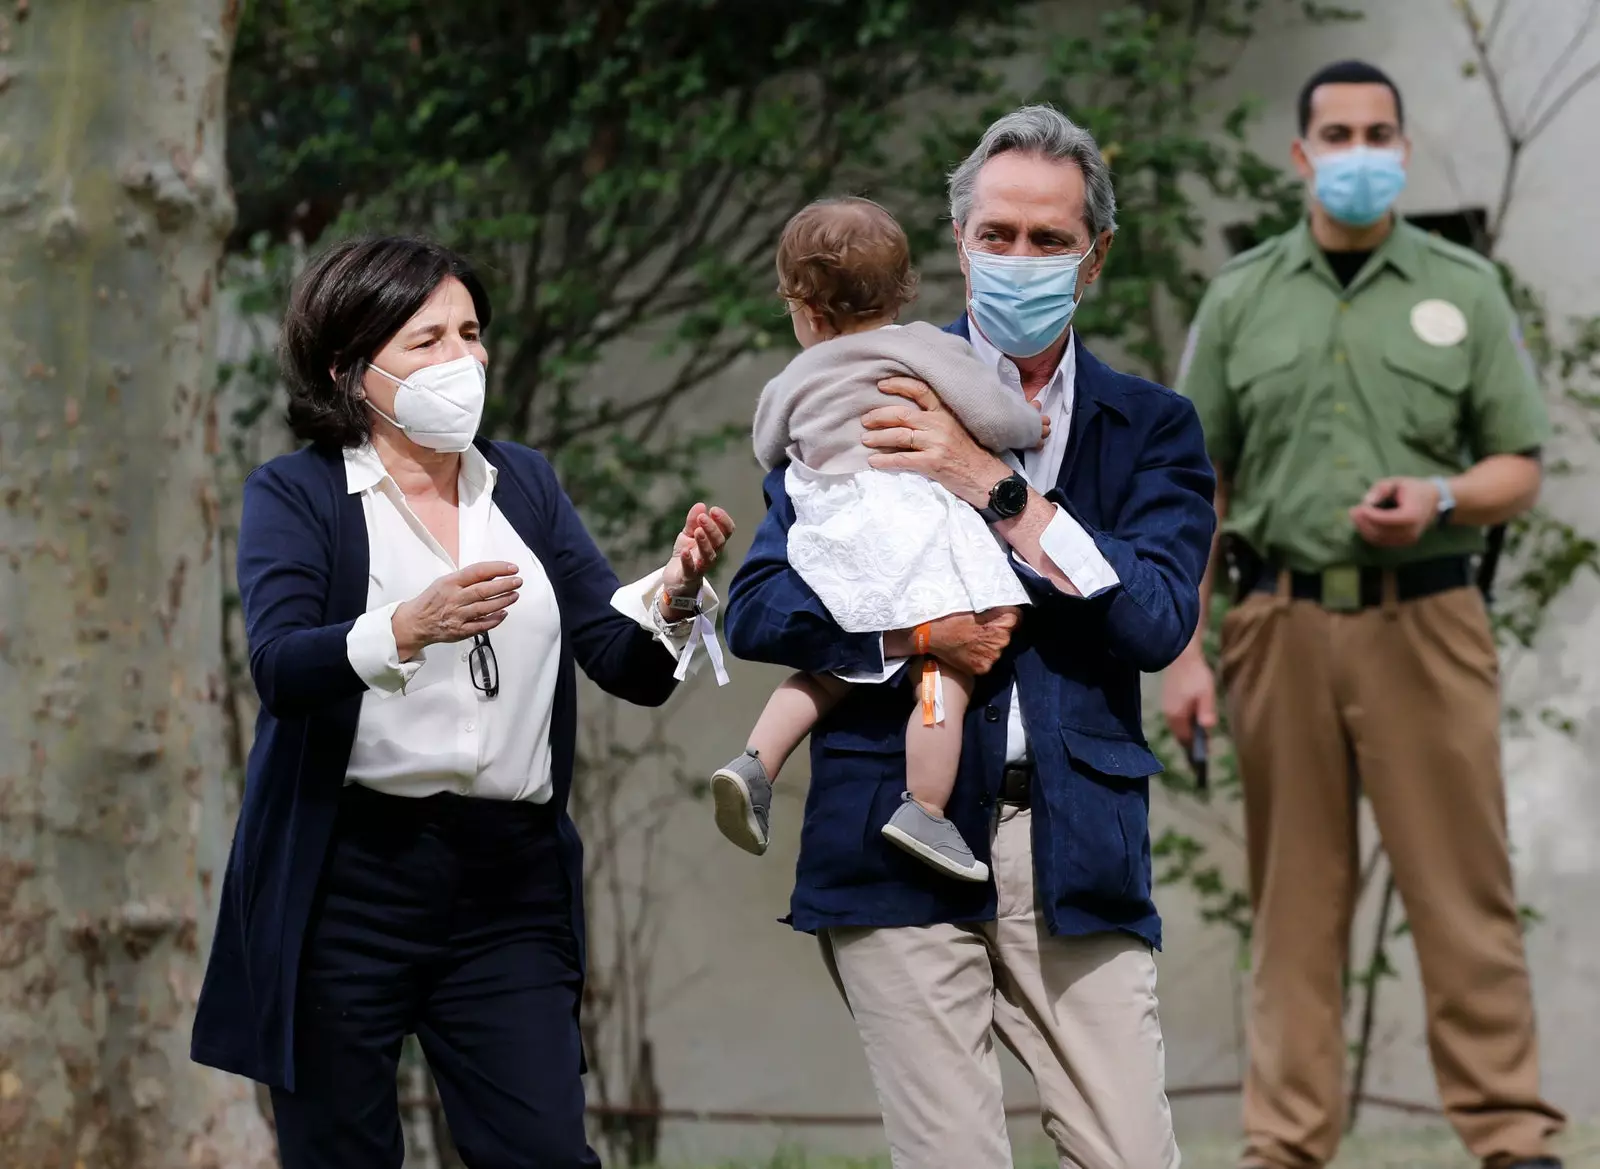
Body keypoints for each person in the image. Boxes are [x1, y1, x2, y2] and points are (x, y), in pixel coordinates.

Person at [726, 104, 1214, 1169]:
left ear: (1094, 261)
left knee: (1132, 1151)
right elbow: (760, 607)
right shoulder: (865, 379)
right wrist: (916, 631)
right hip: (893, 828)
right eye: (997, 235)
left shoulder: (1152, 426)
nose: (1019, 259)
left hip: (1074, 843)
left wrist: (987, 483)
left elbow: (1153, 616)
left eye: (1048, 239)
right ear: (958, 244)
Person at [189, 235, 735, 1169]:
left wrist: (676, 595)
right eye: (427, 339)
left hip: (506, 879)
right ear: (351, 370)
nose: (461, 359)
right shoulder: (300, 492)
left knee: (546, 1150)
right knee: (341, 1151)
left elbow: (620, 659)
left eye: (471, 333)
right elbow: (279, 666)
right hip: (348, 874)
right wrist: (407, 625)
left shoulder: (522, 481)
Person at [1165, 60, 1565, 1169]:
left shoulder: (1463, 289)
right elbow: (1196, 486)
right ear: (1301, 156)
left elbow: (1518, 465)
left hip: (1427, 624)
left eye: (1376, 132)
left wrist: (1438, 496)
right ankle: (1285, 1144)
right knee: (1293, 903)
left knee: (1461, 890)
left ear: (1399, 147)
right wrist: (1185, 651)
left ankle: (1509, 1133)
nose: (1357, 151)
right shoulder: (1242, 296)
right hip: (1279, 624)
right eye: (1335, 133)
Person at [711, 195, 1046, 883]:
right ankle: (924, 806)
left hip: (830, 535)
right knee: (941, 670)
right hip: (910, 531)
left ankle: (755, 761)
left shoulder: (793, 378)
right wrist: (1029, 424)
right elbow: (991, 414)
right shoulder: (923, 348)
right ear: (902, 292)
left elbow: (768, 443)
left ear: (805, 311)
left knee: (832, 668)